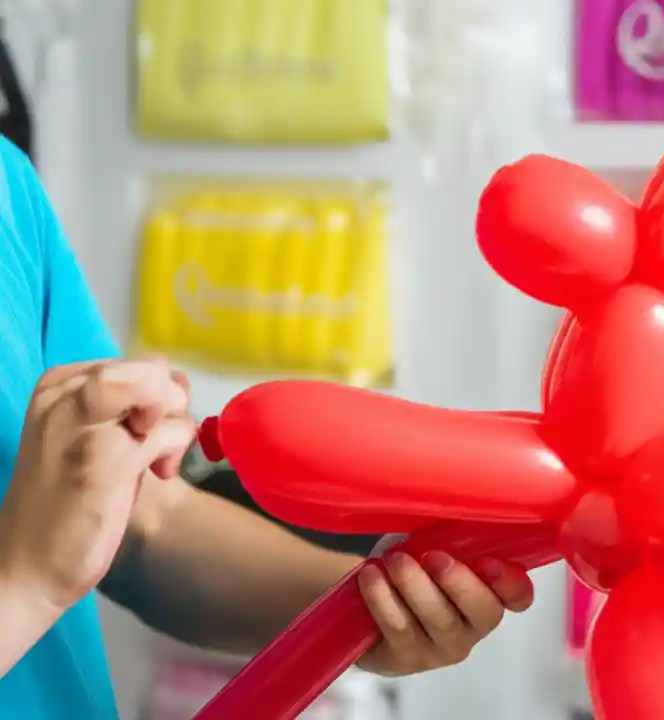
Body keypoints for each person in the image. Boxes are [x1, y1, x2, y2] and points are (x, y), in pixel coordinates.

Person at [0, 139, 535, 719]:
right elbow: (51, 559)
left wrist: (367, 607)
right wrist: (24, 585)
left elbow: (143, 526)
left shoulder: (7, 186)